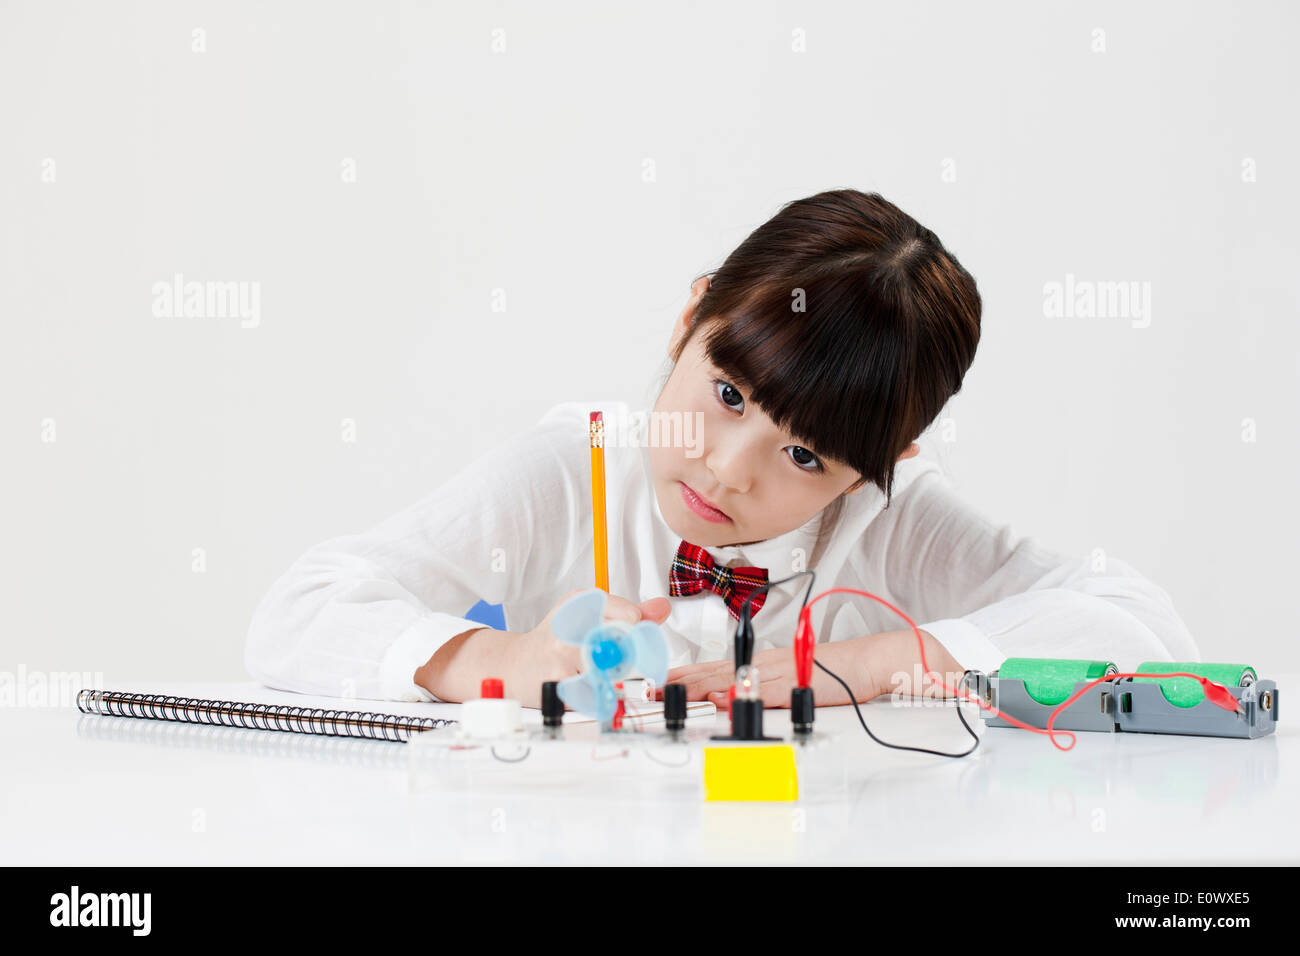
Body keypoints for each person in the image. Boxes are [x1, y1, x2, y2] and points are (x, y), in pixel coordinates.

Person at [245, 189, 1197, 708]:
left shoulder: (884, 515)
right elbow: (300, 609)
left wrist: (858, 668)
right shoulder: (577, 468)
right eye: (730, 394)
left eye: (806, 458)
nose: (728, 468)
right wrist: (493, 657)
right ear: (691, 316)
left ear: (890, 459)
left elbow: (1138, 627)